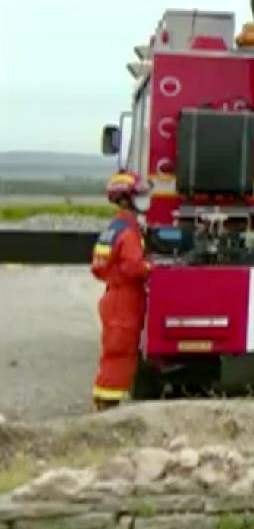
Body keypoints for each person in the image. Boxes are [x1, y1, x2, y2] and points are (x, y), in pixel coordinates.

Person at [89, 171, 152, 410]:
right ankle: (107, 405)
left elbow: (99, 266)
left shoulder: (116, 227)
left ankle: (104, 401)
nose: (146, 198)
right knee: (119, 353)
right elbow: (134, 267)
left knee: (115, 350)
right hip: (124, 298)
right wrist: (152, 268)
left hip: (115, 295)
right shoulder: (128, 231)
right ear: (127, 199)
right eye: (142, 194)